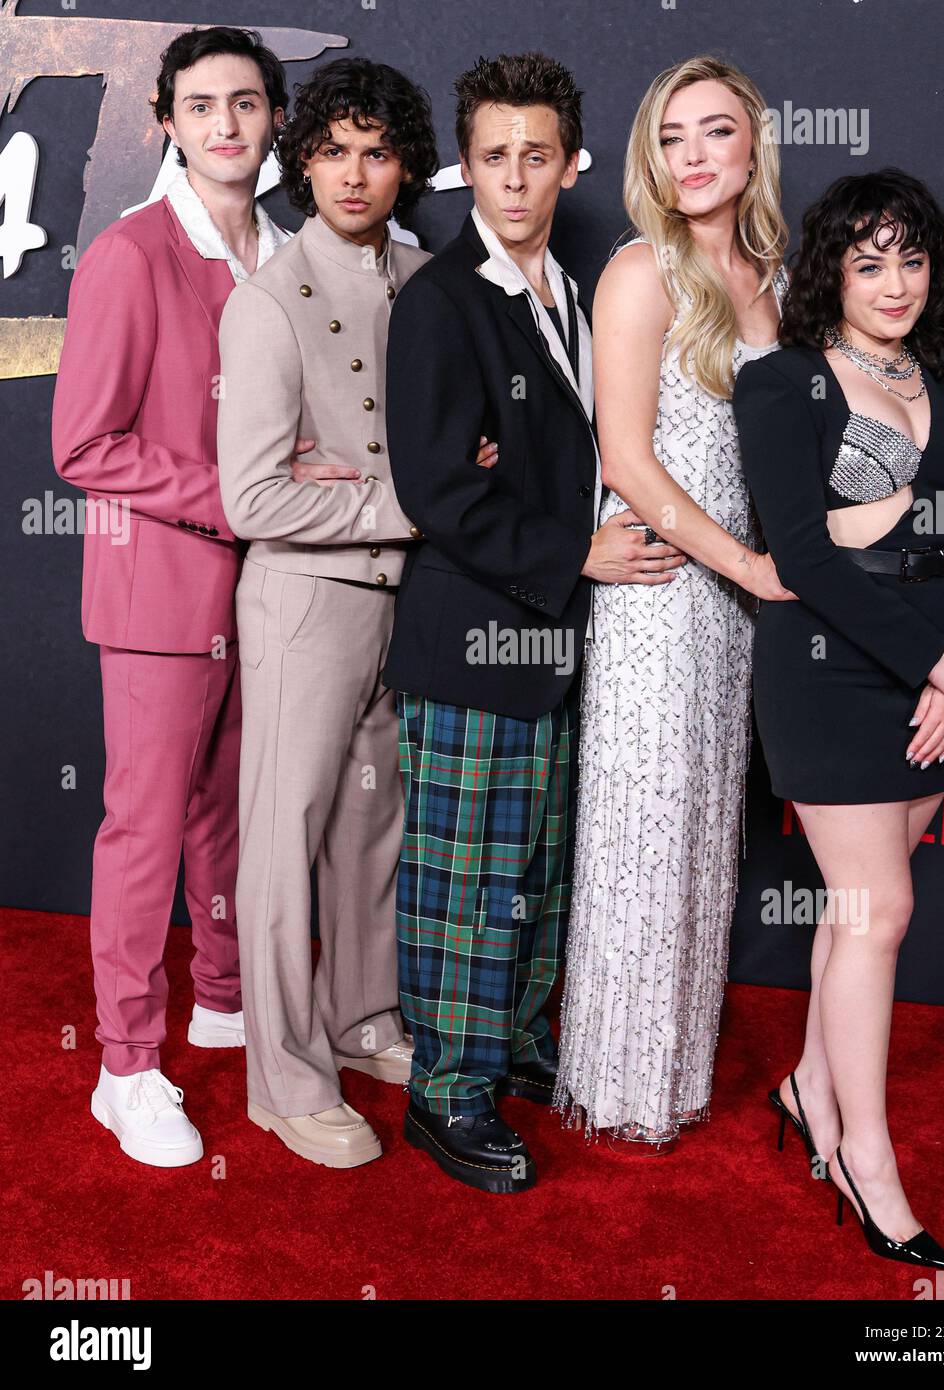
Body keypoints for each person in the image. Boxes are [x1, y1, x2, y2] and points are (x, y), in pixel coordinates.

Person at [382, 52, 682, 1193]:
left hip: (557, 642)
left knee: (539, 869)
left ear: (570, 164)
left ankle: (505, 1044)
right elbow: (436, 488)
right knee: (465, 877)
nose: (514, 180)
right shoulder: (442, 299)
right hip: (474, 641)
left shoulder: (572, 285)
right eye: (494, 158)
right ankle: (444, 1094)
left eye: (536, 157)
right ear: (464, 168)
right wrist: (574, 550)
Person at [732, 168, 944, 1270]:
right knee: (877, 910)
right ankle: (862, 1156)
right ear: (829, 273)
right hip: (825, 667)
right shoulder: (783, 383)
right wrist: (924, 655)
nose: (892, 282)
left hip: (932, 676)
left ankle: (807, 1086)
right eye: (866, 261)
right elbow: (799, 555)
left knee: (853, 917)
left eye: (910, 258)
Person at [216, 58, 488, 1168]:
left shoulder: (433, 276)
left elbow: (469, 434)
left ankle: (362, 1016)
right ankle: (281, 1079)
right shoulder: (266, 300)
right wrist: (406, 501)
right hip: (304, 605)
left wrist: (452, 471)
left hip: (402, 601)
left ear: (407, 164)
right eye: (331, 150)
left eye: (376, 151)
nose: (354, 173)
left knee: (374, 829)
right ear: (302, 162)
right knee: (284, 841)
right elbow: (250, 496)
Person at [51, 26, 291, 1168]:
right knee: (145, 825)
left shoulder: (284, 255)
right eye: (201, 107)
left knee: (226, 813)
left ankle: (225, 997)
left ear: (273, 118)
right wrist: (236, 498)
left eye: (245, 103)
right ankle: (126, 1067)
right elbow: (83, 444)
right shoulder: (129, 253)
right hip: (160, 592)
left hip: (274, 591)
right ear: (166, 121)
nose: (226, 125)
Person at [553, 57, 794, 1149]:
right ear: (651, 157)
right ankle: (618, 1080)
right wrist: (743, 568)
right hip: (663, 586)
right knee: (643, 833)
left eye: (716, 133)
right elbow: (628, 460)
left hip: (742, 597)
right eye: (671, 137)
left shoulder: (776, 275)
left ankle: (673, 1061)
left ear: (752, 149)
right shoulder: (638, 271)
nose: (693, 157)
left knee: (702, 833)